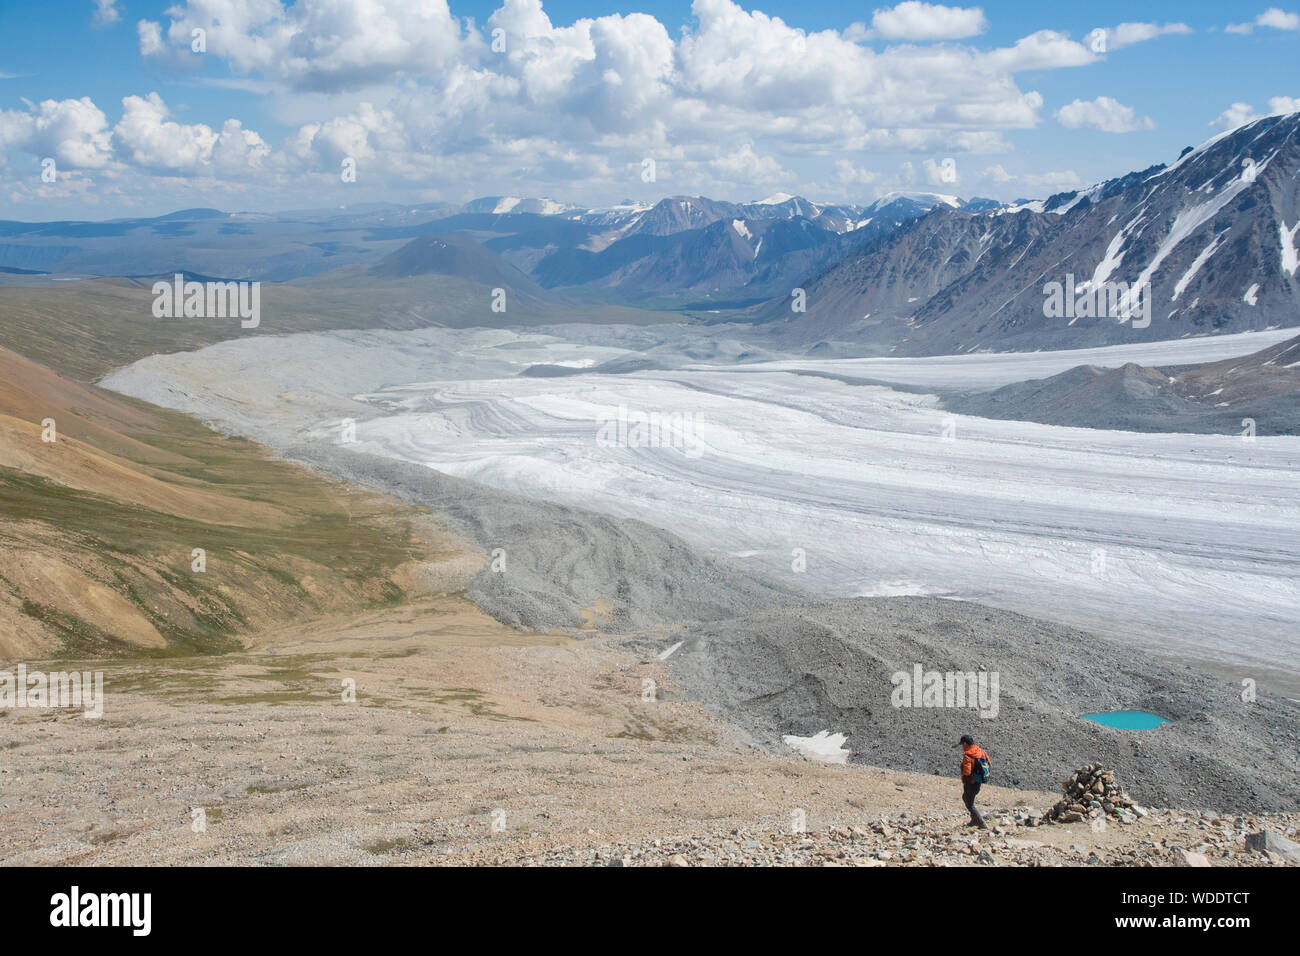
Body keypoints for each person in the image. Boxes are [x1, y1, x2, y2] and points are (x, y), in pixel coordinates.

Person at [959, 734, 988, 829]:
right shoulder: (981, 751)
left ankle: (981, 822)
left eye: (962, 744)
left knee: (969, 804)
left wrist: (963, 767)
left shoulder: (968, 756)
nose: (962, 747)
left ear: (966, 743)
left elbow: (967, 772)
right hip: (978, 782)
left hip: (970, 783)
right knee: (966, 798)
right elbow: (989, 763)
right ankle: (974, 820)